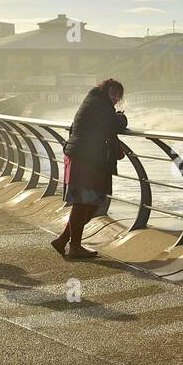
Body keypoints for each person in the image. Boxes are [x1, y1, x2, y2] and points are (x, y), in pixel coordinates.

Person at [52, 78, 126, 259]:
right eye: (114, 93)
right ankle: (74, 246)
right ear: (105, 92)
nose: (116, 98)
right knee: (84, 204)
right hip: (86, 159)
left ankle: (63, 241)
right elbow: (114, 124)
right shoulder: (100, 106)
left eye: (118, 95)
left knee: (91, 204)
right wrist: (121, 117)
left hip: (87, 158)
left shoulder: (95, 102)